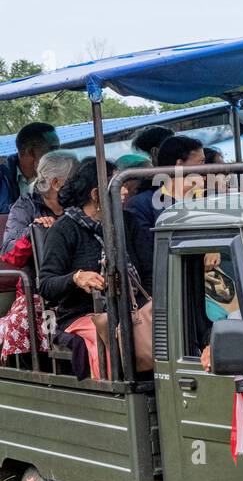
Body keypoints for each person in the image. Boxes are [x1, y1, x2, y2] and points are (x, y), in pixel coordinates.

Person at [37, 158, 146, 380]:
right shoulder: (64, 230)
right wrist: (76, 278)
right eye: (117, 185)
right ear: (96, 195)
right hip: (83, 314)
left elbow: (150, 271)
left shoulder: (128, 223)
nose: (124, 191)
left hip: (134, 309)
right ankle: (118, 402)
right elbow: (46, 285)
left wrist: (144, 309)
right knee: (111, 340)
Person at [124, 134, 203, 292]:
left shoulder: (204, 199)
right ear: (179, 165)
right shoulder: (142, 205)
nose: (207, 170)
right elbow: (150, 256)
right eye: (201, 163)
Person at [1, 149, 77, 261]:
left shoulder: (81, 202)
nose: (81, 182)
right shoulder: (25, 206)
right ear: (56, 183)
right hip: (44, 275)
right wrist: (33, 231)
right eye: (76, 178)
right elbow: (7, 252)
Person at [0, 122, 58, 219]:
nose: (59, 155)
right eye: (52, 150)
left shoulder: (60, 178)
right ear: (27, 152)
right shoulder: (2, 179)